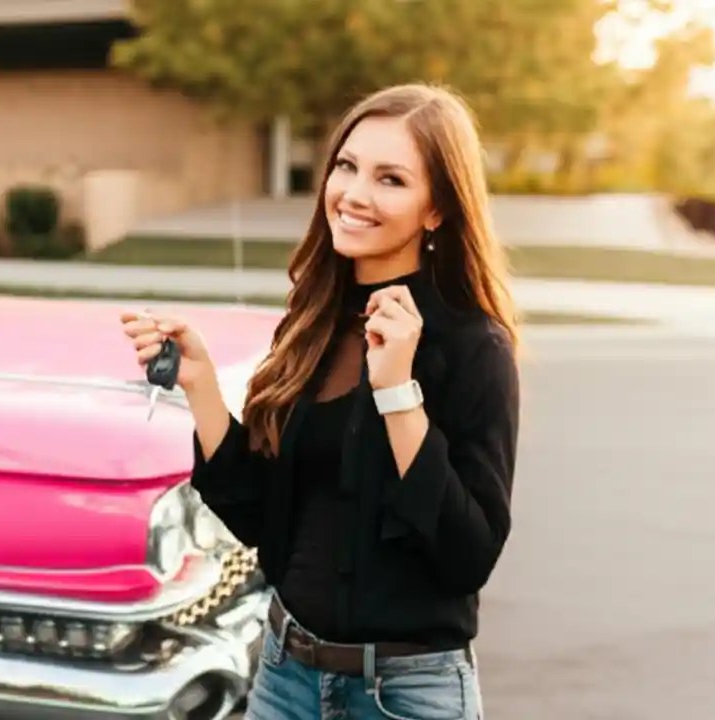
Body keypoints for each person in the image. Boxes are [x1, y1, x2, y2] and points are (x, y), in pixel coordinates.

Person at [120, 83, 521, 719]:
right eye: (346, 166)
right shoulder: (311, 325)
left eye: (391, 179)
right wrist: (200, 385)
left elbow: (467, 554)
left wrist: (396, 392)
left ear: (437, 209)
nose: (355, 193)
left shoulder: (474, 347)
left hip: (405, 697)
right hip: (286, 679)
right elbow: (260, 517)